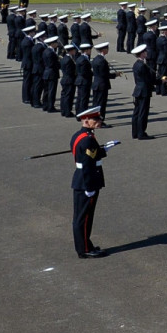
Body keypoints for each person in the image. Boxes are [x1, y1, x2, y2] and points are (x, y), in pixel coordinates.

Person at [70, 107, 114, 259]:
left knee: (83, 217)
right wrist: (89, 187)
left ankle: (85, 245)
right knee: (84, 218)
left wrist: (103, 150)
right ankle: (85, 249)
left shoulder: (81, 135)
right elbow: (88, 164)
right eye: (96, 119)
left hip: (82, 179)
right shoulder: (88, 139)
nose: (99, 122)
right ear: (86, 120)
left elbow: (90, 155)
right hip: (86, 181)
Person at [129, 50, 156, 140]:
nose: (147, 53)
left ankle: (135, 132)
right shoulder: (142, 66)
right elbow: (148, 80)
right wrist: (161, 81)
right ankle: (141, 133)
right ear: (142, 54)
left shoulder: (136, 64)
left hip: (138, 90)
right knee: (143, 113)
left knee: (136, 112)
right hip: (144, 91)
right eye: (145, 52)